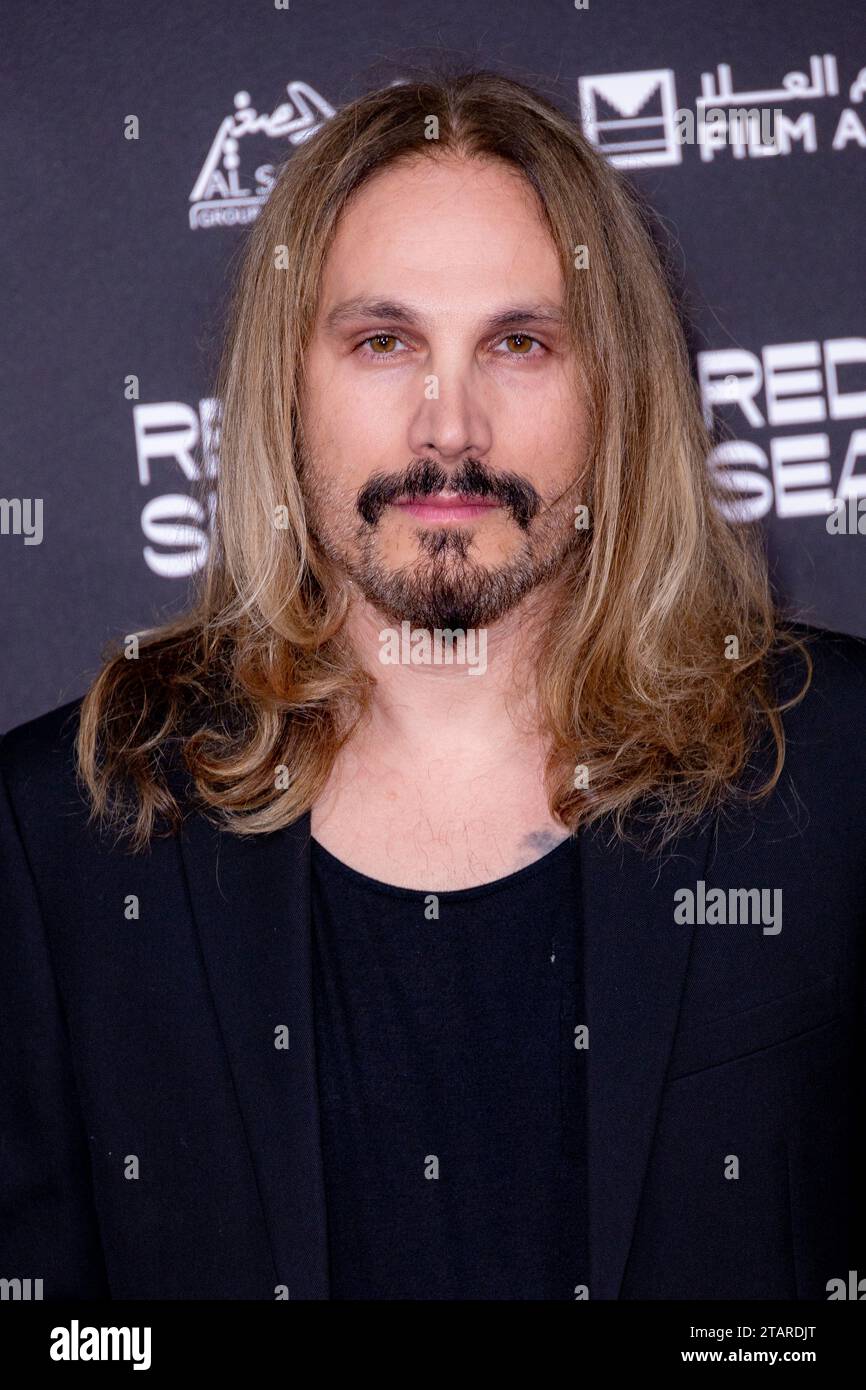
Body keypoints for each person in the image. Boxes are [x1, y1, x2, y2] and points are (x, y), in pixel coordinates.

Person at [1, 69, 864, 1301]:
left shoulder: (836, 768)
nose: (446, 426)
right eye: (382, 340)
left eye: (517, 343)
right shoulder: (70, 839)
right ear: (285, 390)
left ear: (614, 393)